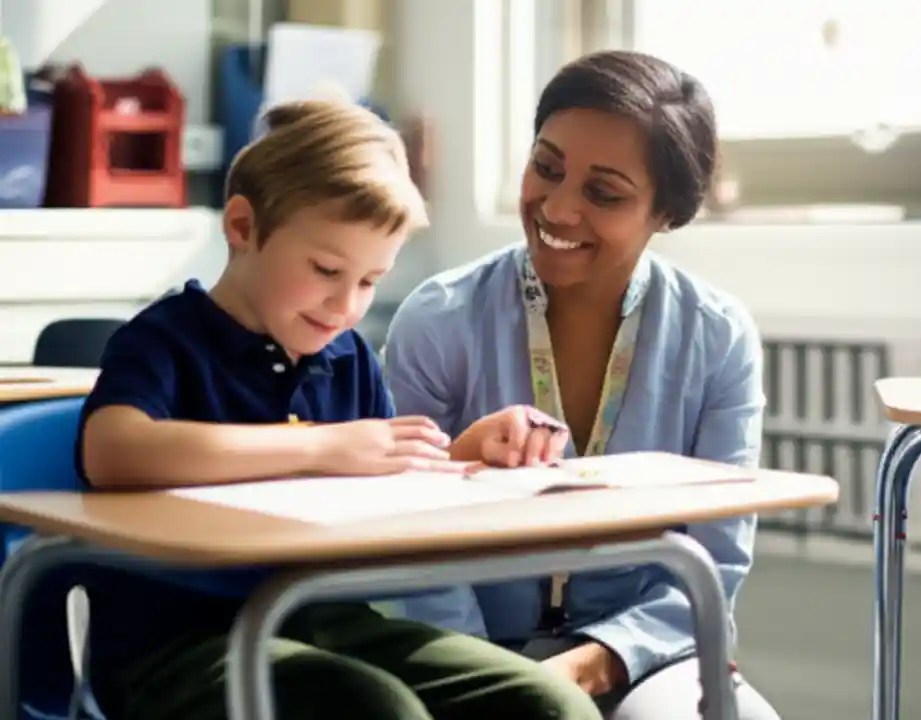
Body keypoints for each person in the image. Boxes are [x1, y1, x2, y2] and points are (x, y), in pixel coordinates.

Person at [76, 99, 602, 720]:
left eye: (369, 281)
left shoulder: (345, 355)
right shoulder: (167, 340)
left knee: (548, 702)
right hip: (174, 652)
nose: (345, 305)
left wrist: (470, 450)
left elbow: (386, 481)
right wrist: (321, 447)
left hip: (324, 617)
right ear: (243, 228)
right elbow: (112, 450)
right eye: (327, 269)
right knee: (377, 708)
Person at [382, 51, 778, 719]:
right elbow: (401, 532)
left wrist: (593, 662)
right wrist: (493, 677)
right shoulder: (438, 317)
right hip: (456, 647)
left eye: (604, 193)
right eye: (547, 167)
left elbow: (712, 567)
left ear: (667, 213)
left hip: (641, 654)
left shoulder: (717, 338)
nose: (557, 208)